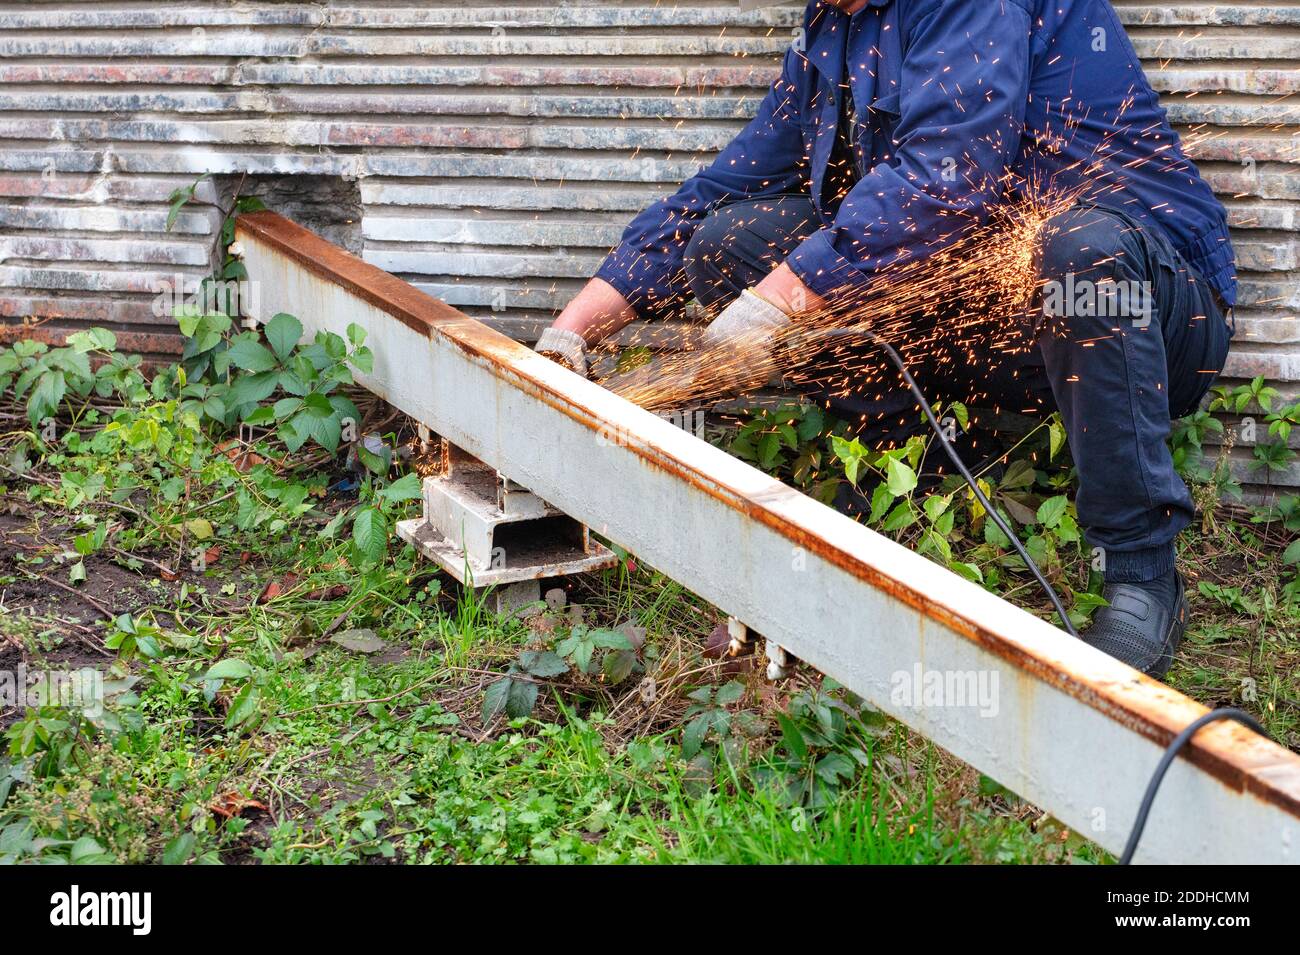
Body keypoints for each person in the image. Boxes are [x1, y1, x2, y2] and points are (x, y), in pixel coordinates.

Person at [532, 0, 1235, 678]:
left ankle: (1142, 573)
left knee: (1078, 249)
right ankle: (909, 469)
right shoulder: (833, 27)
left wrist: (775, 304)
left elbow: (945, 177)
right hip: (986, 308)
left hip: (1138, 308)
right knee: (735, 242)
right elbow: (720, 189)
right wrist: (573, 331)